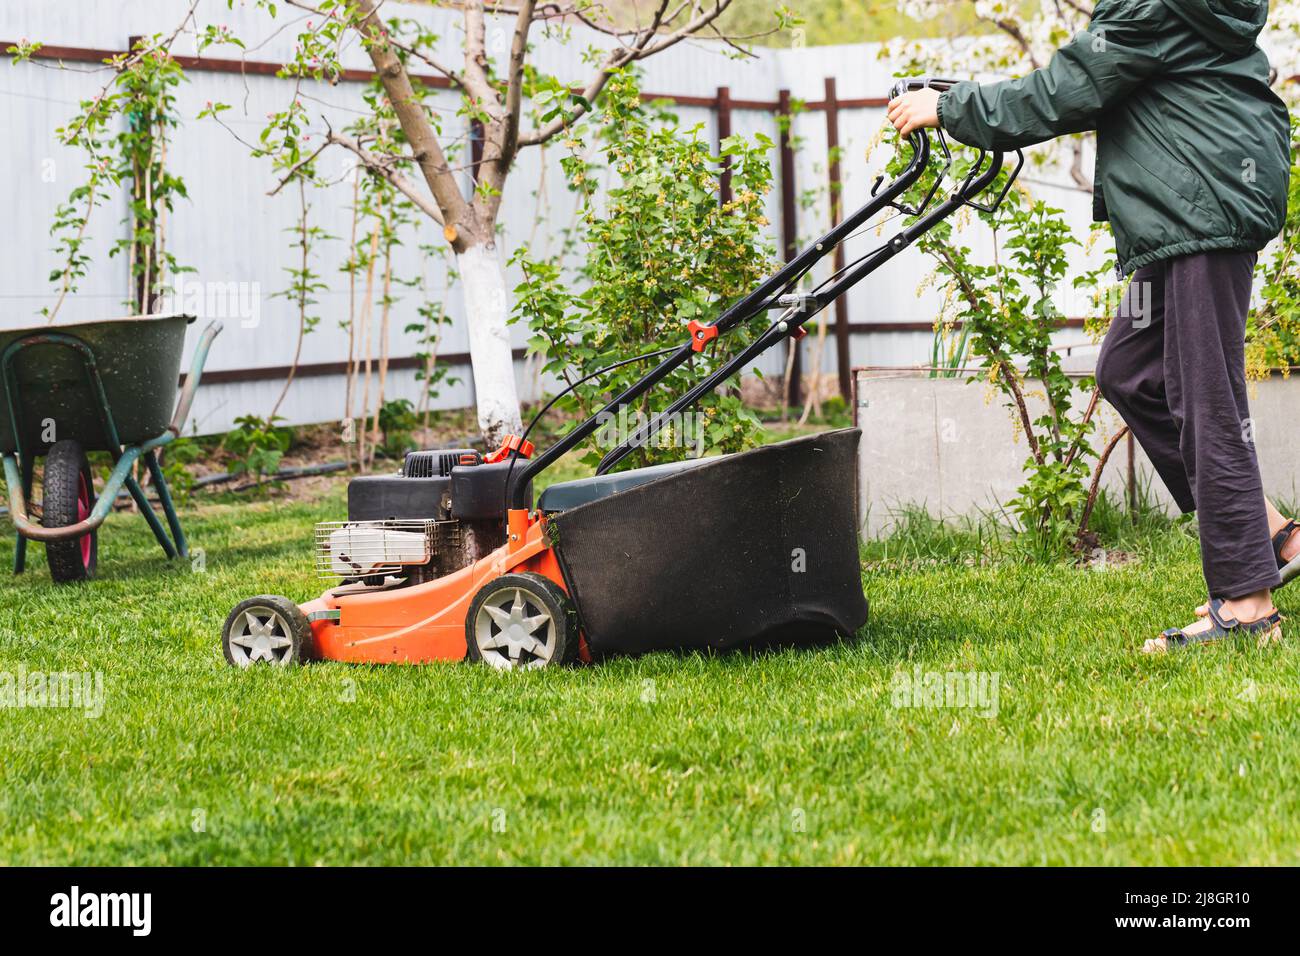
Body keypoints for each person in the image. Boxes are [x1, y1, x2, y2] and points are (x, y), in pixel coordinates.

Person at [886, 0, 1296, 651]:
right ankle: (1270, 536)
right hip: (1190, 206)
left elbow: (1067, 88)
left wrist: (954, 108)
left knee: (1204, 396)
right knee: (1129, 373)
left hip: (1202, 205)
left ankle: (1248, 605)